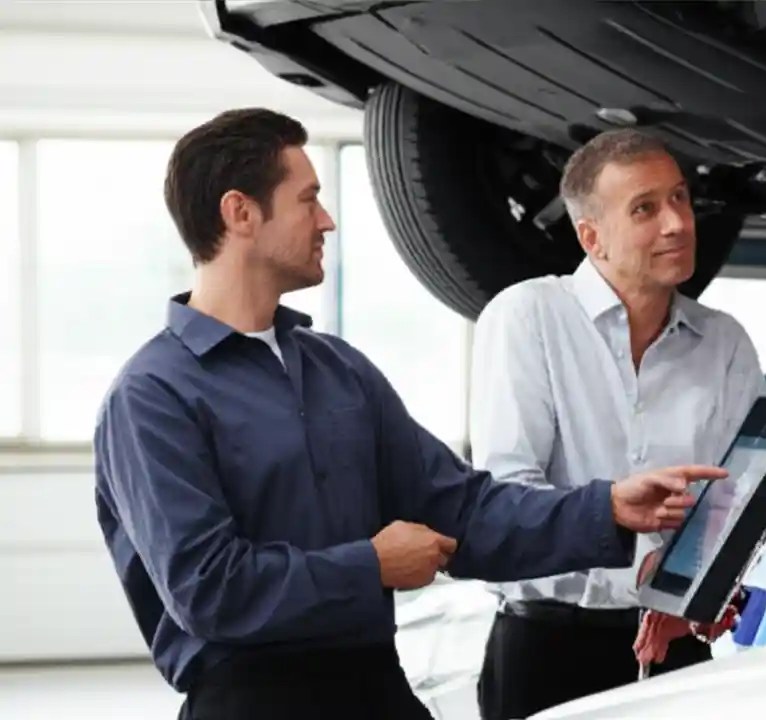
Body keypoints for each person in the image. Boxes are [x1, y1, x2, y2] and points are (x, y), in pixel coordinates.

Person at [92, 108, 727, 720]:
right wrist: (370, 566)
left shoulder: (336, 369)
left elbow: (463, 510)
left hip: (373, 686)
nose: (327, 220)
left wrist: (606, 507)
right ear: (241, 213)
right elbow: (208, 588)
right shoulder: (151, 396)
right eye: (308, 199)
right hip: (250, 698)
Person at [469, 128, 763, 720]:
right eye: (645, 209)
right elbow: (507, 492)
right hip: (550, 647)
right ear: (591, 237)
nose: (677, 223)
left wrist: (708, 584)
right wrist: (643, 566)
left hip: (674, 647)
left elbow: (735, 497)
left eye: (679, 198)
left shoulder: (724, 342)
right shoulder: (529, 316)